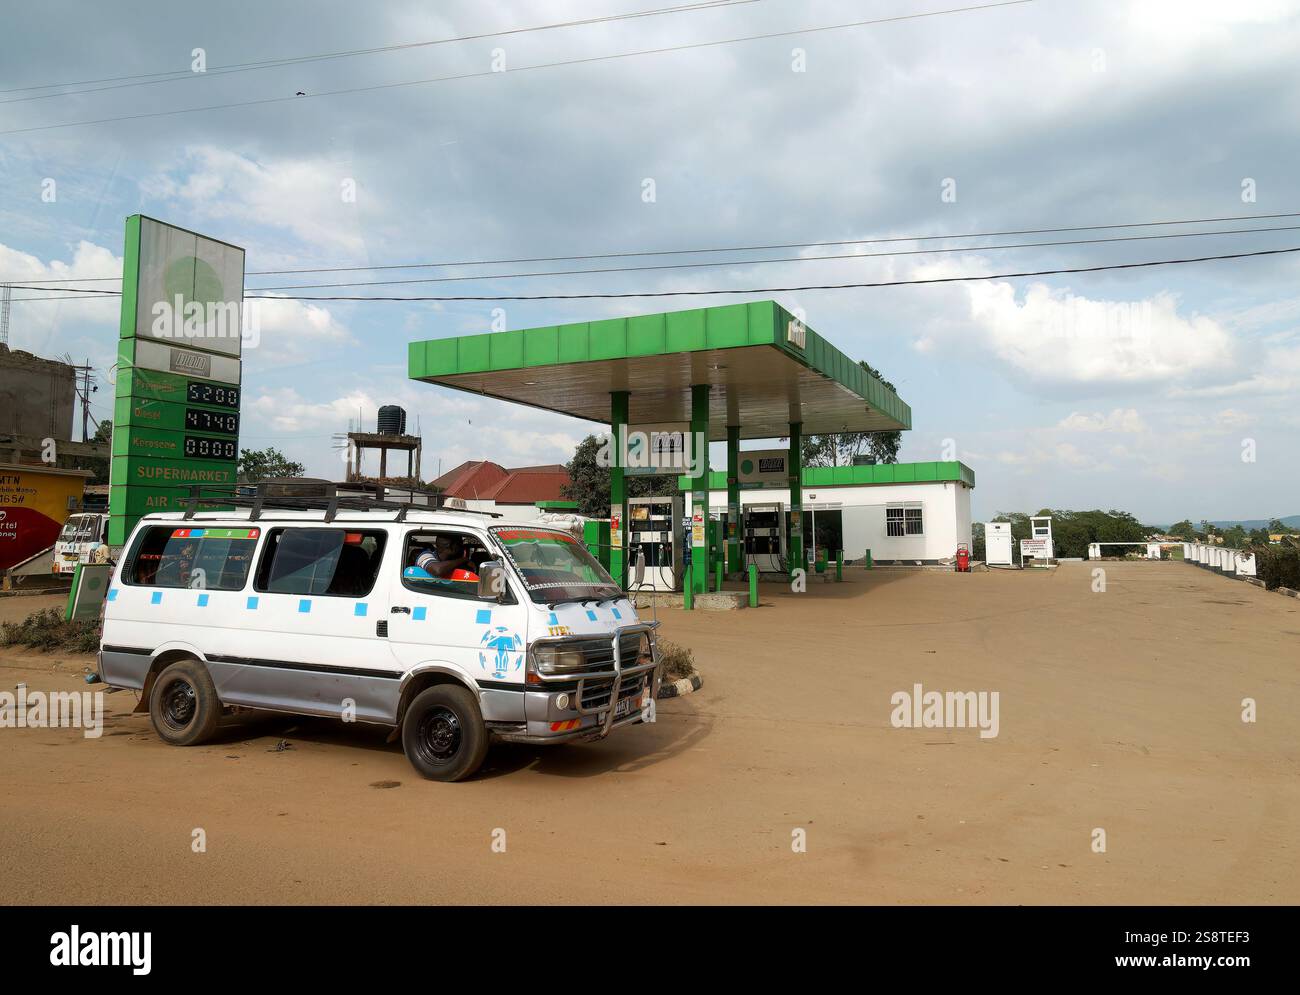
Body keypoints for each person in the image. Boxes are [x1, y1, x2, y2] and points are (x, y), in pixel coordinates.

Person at [404, 534, 479, 583]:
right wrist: (464, 559)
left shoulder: (453, 562)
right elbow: (437, 570)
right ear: (453, 547)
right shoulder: (425, 555)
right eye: (460, 544)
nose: (462, 548)